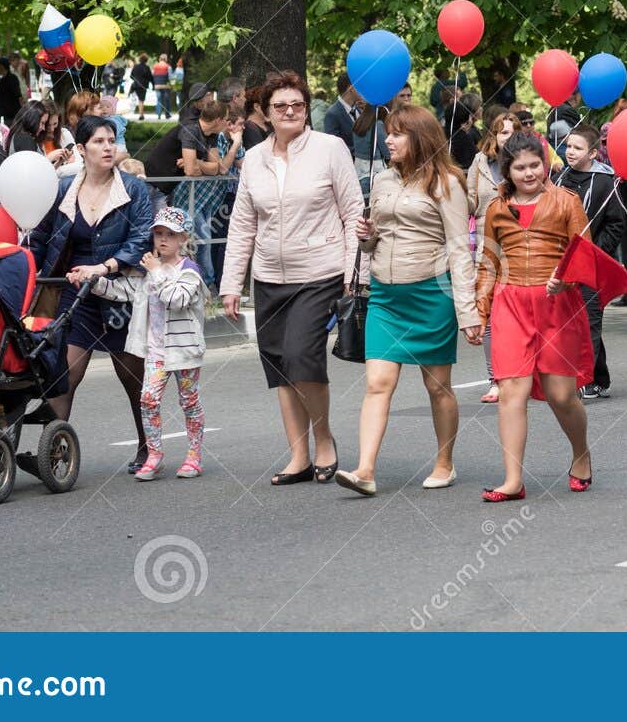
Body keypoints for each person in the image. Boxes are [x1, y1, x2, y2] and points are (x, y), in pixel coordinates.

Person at [220, 71, 363, 486]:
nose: (289, 112)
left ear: (306, 109)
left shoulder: (329, 149)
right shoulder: (254, 160)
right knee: (280, 366)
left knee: (303, 357)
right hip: (269, 276)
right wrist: (231, 283)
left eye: (297, 105)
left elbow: (353, 212)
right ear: (265, 112)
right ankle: (298, 455)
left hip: (320, 271)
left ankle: (324, 440)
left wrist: (356, 272)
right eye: (280, 106)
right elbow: (243, 225)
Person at [335, 106, 476, 496]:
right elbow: (373, 239)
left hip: (431, 294)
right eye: (388, 133)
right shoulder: (382, 180)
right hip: (385, 295)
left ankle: (445, 462)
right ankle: (365, 469)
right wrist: (366, 235)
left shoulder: (447, 182)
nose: (389, 140)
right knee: (378, 383)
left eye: (398, 134)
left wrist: (468, 312)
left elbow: (460, 249)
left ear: (420, 138)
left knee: (437, 387)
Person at [474, 133, 596, 501]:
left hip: (557, 304)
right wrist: (480, 312)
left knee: (561, 395)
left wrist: (567, 278)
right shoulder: (497, 208)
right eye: (520, 167)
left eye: (535, 165)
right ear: (508, 171)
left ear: (545, 165)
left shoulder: (566, 201)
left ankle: (581, 453)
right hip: (510, 302)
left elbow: (587, 255)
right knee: (512, 391)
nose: (529, 173)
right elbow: (489, 262)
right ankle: (513, 480)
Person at [30, 115, 155, 470]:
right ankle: (53, 453)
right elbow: (41, 238)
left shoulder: (133, 189)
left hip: (120, 292)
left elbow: (141, 238)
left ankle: (148, 446)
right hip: (76, 291)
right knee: (65, 375)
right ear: (81, 149)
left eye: (111, 140)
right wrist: (23, 273)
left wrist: (105, 267)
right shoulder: (62, 190)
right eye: (99, 141)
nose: (108, 147)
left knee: (132, 377)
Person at [88, 206, 209, 479]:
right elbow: (122, 291)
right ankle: (154, 454)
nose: (163, 240)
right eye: (158, 234)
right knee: (148, 400)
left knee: (189, 402)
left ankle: (194, 455)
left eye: (170, 234)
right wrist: (93, 282)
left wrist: (156, 271)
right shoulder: (146, 271)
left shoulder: (189, 271)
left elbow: (176, 299)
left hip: (184, 351)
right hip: (156, 352)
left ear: (183, 239)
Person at [554, 124, 624, 400]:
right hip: (560, 260)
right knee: (568, 320)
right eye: (568, 146)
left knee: (589, 317)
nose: (570, 152)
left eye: (577, 148)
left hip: (590, 262)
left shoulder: (606, 182)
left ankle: (585, 378)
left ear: (593, 153)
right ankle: (598, 375)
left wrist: (596, 250)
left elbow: (617, 223)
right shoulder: (559, 179)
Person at [466, 109, 516, 403]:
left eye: (512, 131)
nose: (507, 136)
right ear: (494, 135)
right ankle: (494, 379)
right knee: (487, 311)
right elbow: (471, 202)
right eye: (502, 131)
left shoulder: (526, 163)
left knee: (515, 312)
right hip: (486, 248)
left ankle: (521, 371)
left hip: (516, 247)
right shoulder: (479, 162)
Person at [176, 96, 241, 288]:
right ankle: (206, 285)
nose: (229, 124)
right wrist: (197, 165)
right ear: (219, 120)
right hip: (184, 194)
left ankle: (203, 283)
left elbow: (218, 168)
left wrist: (197, 163)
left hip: (202, 196)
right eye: (226, 119)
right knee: (201, 239)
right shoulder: (191, 130)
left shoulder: (212, 136)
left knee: (203, 238)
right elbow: (190, 170)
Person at [129, 54, 153, 120]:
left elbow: (131, 76)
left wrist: (136, 79)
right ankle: (141, 115)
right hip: (143, 86)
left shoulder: (136, 66)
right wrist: (152, 84)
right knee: (141, 100)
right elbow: (150, 77)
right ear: (146, 60)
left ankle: (140, 113)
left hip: (136, 85)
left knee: (139, 99)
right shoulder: (147, 67)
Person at [151, 54, 173, 119]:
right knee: (167, 100)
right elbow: (170, 77)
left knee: (159, 100)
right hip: (165, 85)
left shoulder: (155, 66)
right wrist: (171, 85)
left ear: (159, 59)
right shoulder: (168, 67)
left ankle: (159, 114)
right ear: (166, 59)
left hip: (157, 85)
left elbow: (152, 75)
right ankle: (167, 115)